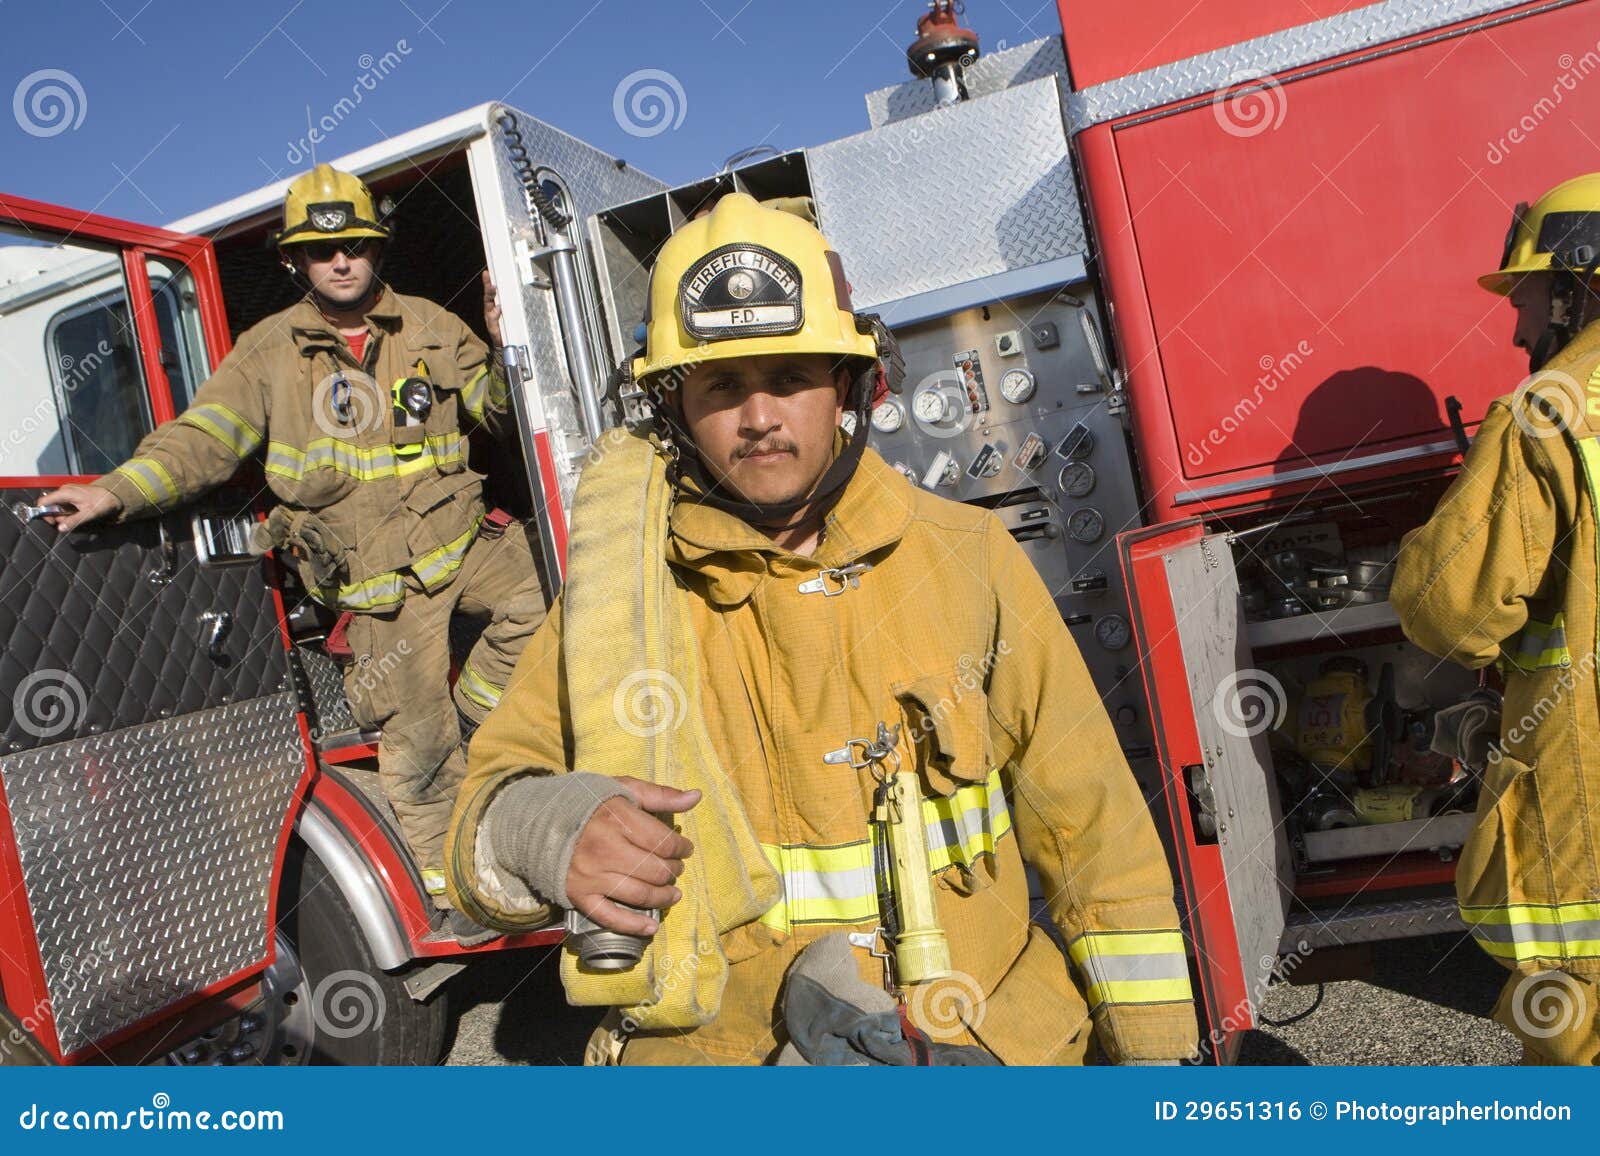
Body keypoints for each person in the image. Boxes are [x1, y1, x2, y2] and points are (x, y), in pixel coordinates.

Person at [444, 193, 1197, 1064]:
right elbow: (477, 832)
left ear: (848, 384)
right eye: (721, 386)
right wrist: (551, 830)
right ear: (672, 407)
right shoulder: (619, 607)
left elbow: (1096, 831)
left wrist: (1156, 1055)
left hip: (979, 1046)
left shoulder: (969, 558)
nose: (759, 417)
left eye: (792, 377)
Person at [41, 164, 545, 944]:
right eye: (321, 250)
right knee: (418, 749)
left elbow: (498, 412)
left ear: (378, 250)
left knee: (547, 599)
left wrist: (514, 343)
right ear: (293, 262)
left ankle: (485, 716)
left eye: (354, 246)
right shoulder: (268, 354)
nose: (340, 262)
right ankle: (455, 892)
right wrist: (117, 492)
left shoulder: (435, 329)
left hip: (463, 547)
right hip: (378, 591)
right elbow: (204, 441)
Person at [1392, 173, 1600, 1064]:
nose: (1517, 326)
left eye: (1526, 296)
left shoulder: (1553, 408)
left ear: (1580, 282)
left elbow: (1450, 605)